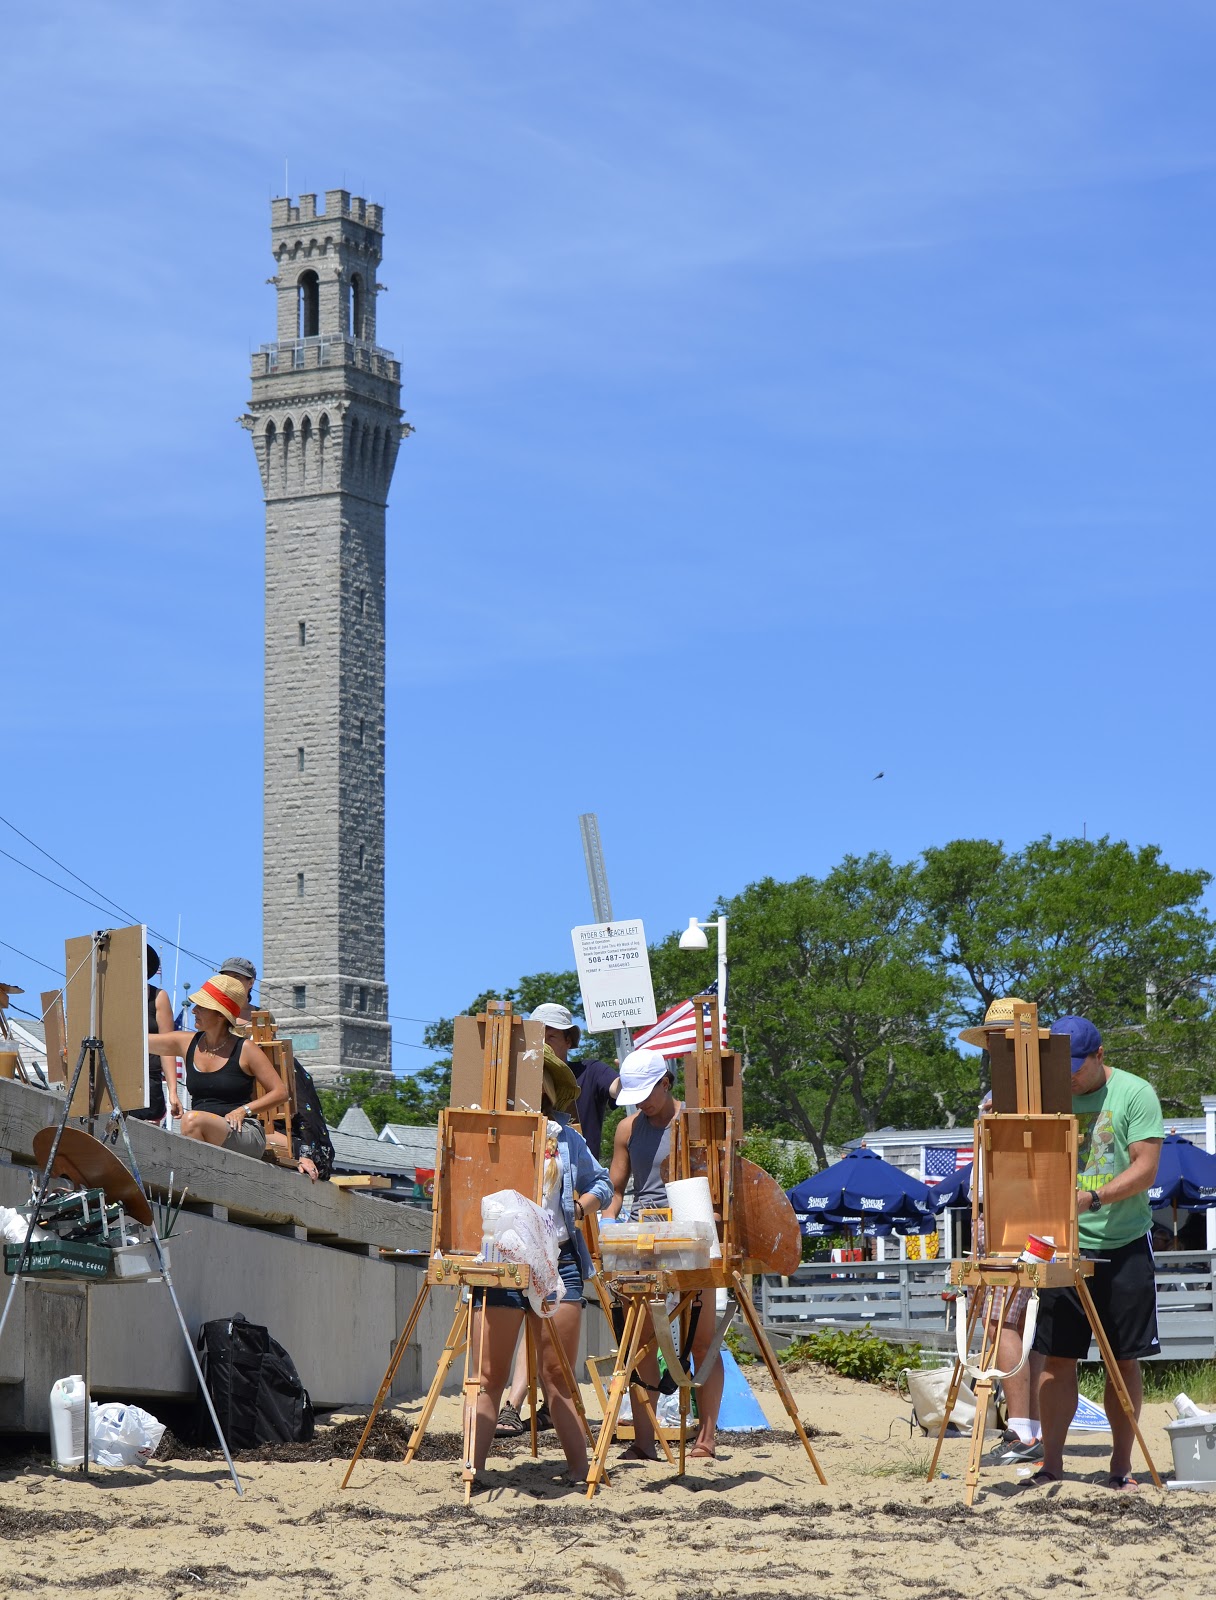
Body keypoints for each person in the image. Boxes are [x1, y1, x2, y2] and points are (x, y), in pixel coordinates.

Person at [1028, 1015, 1163, 1490]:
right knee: (1056, 1357)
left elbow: (1146, 1169)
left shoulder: (1135, 1093)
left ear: (1099, 1055)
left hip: (1123, 1243)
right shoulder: (1047, 1096)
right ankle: (1052, 1466)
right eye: (1060, 1067)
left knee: (1122, 1360)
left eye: (1076, 1067)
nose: (1068, 1076)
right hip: (1061, 1247)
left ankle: (1120, 1468)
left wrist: (1095, 1197)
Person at [466, 1052, 612, 1489]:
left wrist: (581, 1207)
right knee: (488, 1377)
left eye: (537, 1080)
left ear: (548, 1088)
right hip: (500, 1260)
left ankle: (578, 1470)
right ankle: (473, 1470)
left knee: (558, 1377)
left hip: (559, 1260)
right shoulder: (486, 1132)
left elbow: (602, 1183)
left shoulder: (566, 1139)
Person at [495, 1003, 619, 1437]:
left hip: (564, 1236)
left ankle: (535, 1406)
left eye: (554, 1035)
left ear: (569, 1040)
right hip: (512, 1248)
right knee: (529, 1324)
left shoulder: (589, 1078)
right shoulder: (504, 1122)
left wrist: (582, 1207)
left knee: (553, 1338)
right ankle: (515, 1401)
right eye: (539, 1034)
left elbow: (619, 1090)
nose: (546, 1040)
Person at [603, 1047, 725, 1462]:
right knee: (640, 1340)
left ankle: (706, 1437)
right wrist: (607, 1225)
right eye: (633, 1094)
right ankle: (644, 1438)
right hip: (644, 1234)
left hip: (692, 1229)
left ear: (666, 1083)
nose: (641, 1101)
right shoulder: (628, 1128)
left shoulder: (693, 1122)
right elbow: (617, 1190)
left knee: (702, 1340)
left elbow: (719, 1179)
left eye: (647, 1092)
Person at [958, 997, 1046, 1461]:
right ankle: (1026, 1424)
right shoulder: (1029, 1091)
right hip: (1016, 1215)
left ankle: (1021, 1429)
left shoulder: (1011, 1098)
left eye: (997, 1041)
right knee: (1015, 1320)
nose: (992, 1050)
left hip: (1006, 1218)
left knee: (1002, 1321)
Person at [148, 973, 288, 1157]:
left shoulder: (246, 1049)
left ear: (220, 1015)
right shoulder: (187, 1042)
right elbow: (140, 1042)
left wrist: (243, 1110)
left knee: (191, 1120)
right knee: (190, 1123)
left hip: (243, 1131)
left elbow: (281, 1092)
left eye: (201, 1006)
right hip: (201, 1129)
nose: (193, 1010)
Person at [529, 1003, 620, 1159]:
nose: (543, 1044)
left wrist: (630, 1074)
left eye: (550, 1036)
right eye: (538, 1037)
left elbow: (618, 1090)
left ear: (568, 1041)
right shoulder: (519, 1081)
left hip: (581, 1177)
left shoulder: (591, 1071)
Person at [129, 946, 177, 1123]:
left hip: (148, 1080)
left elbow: (168, 1046)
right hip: (113, 1079)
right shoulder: (104, 998)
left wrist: (172, 1091)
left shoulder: (157, 996)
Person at [219, 956, 258, 1026]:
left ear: (251, 983)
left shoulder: (262, 1016)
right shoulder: (211, 1013)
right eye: (227, 977)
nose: (231, 981)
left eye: (237, 977)